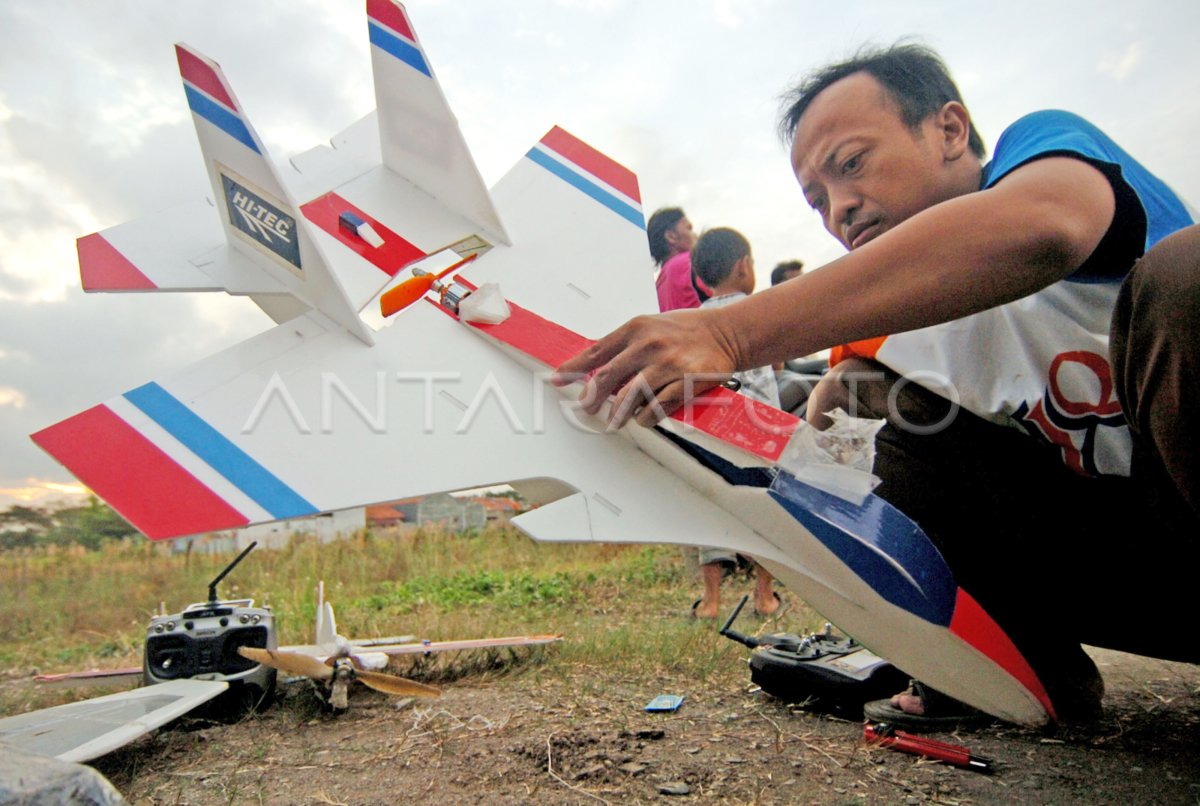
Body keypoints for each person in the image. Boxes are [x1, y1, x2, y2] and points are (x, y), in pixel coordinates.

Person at [555, 43, 1199, 726]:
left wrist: (729, 334)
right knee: (855, 410)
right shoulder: (887, 335)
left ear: (950, 130)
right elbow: (822, 462)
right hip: (1140, 581)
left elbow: (1047, 228)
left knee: (1186, 277)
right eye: (817, 200)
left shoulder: (1048, 157)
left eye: (852, 164)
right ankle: (1015, 680)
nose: (840, 208)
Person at [688, 227, 782, 619]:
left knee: (709, 510)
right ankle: (764, 596)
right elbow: (777, 362)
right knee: (768, 513)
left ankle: (710, 602)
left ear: (700, 278)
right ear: (744, 266)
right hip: (759, 432)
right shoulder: (760, 309)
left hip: (709, 431)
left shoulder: (690, 321)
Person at [647, 207, 709, 312]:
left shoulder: (657, 289)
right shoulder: (691, 261)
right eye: (689, 228)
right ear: (671, 237)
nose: (696, 235)